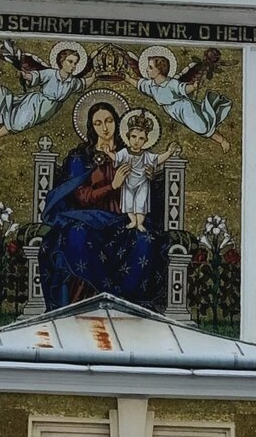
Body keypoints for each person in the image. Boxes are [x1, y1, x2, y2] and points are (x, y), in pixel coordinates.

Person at [35, 100, 164, 309]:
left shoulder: (132, 153)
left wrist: (147, 178)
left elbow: (144, 193)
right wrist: (112, 185)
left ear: (117, 123)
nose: (105, 128)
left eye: (109, 121)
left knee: (146, 239)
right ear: (91, 126)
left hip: (125, 219)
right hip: (89, 219)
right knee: (77, 235)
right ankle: (79, 306)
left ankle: (126, 306)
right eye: (98, 123)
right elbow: (81, 197)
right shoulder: (80, 158)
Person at [113, 109, 176, 230]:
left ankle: (140, 223)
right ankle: (133, 220)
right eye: (133, 137)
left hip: (142, 182)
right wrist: (108, 153)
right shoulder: (124, 152)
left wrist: (168, 153)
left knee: (141, 202)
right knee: (128, 201)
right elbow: (116, 158)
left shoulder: (146, 155)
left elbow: (158, 159)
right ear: (128, 137)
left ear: (146, 141)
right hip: (127, 181)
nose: (136, 141)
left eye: (141, 138)